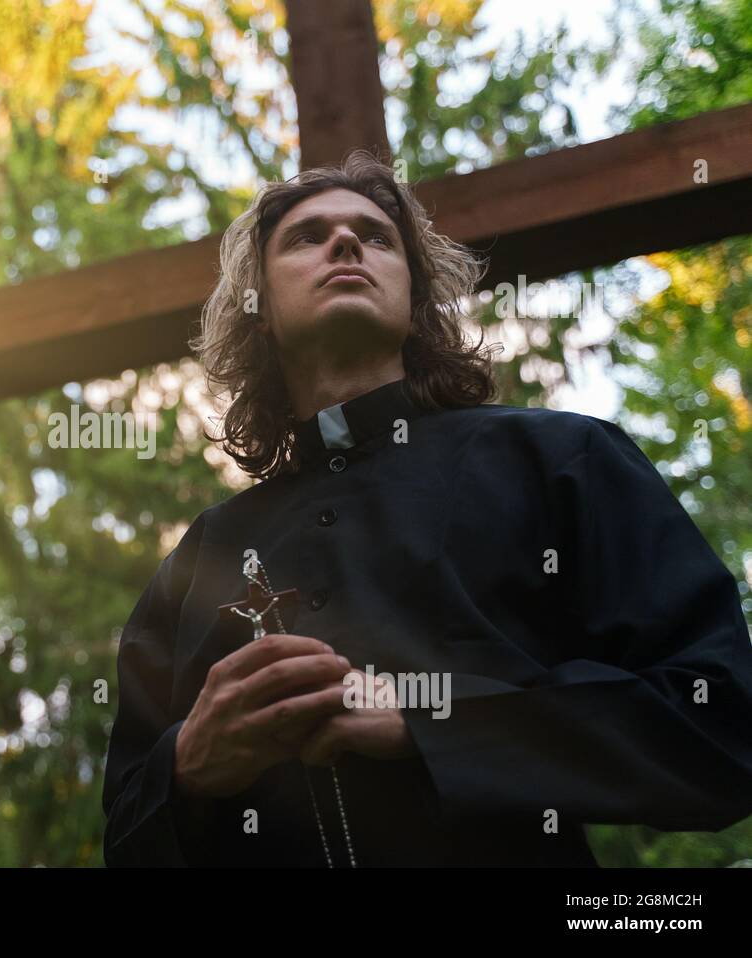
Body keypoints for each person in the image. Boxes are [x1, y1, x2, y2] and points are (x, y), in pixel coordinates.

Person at [100, 149, 752, 866]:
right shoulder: (202, 557)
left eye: (377, 237)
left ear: (413, 304)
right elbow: (125, 838)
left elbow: (719, 726)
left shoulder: (563, 461)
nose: (345, 243)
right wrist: (185, 768)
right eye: (305, 237)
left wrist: (437, 722)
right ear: (259, 314)